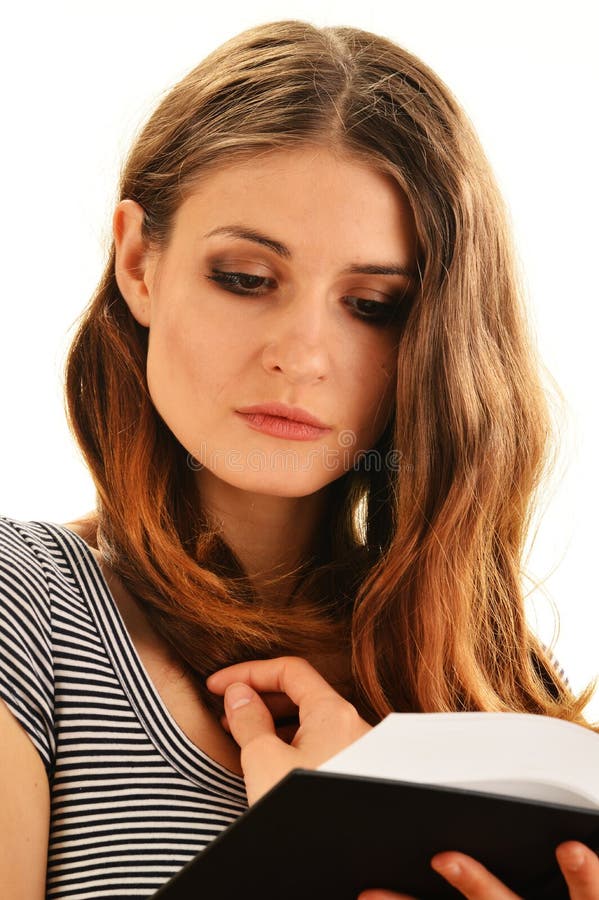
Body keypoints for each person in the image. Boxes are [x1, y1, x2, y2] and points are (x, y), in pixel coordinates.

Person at [0, 17, 597, 899]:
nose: (302, 354)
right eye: (245, 278)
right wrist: (305, 855)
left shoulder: (498, 682)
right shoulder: (29, 613)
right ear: (138, 262)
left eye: (372, 304)